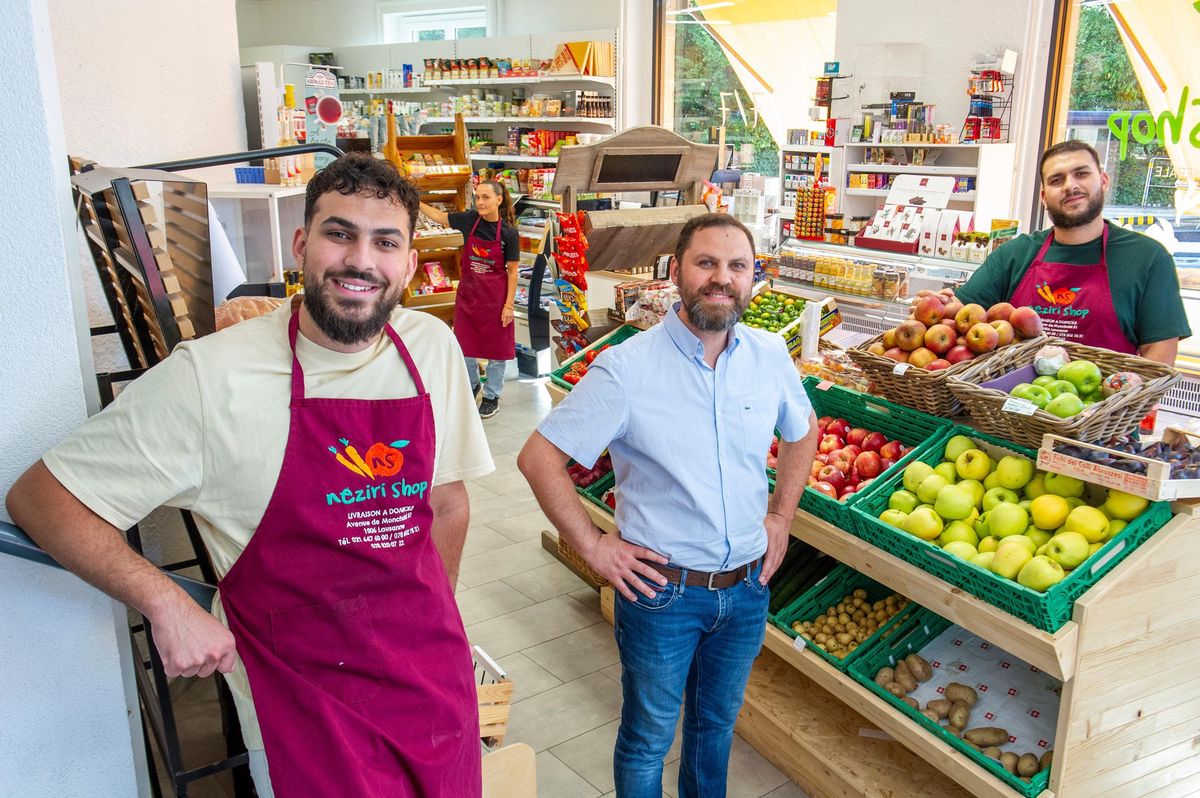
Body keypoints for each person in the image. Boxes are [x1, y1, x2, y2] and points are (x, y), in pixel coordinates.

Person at [6, 153, 495, 798]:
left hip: (430, 680)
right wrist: (167, 603)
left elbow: (448, 502)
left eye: (386, 242)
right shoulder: (210, 377)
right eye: (339, 233)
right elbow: (41, 498)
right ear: (302, 244)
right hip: (305, 702)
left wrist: (438, 617)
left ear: (409, 262)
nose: (361, 261)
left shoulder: (430, 347)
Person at [517, 213, 819, 797]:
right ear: (676, 271)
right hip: (662, 593)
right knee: (649, 738)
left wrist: (782, 516)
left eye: (738, 266)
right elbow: (538, 459)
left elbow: (803, 430)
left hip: (747, 588)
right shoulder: (626, 368)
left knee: (715, 731)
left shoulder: (768, 354)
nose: (721, 279)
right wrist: (593, 545)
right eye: (706, 263)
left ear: (755, 278)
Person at [951, 140, 1190, 364]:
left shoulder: (1146, 258)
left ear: (1104, 180)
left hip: (1104, 403)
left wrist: (1126, 404)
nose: (1070, 185)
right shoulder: (1014, 254)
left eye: (1081, 173)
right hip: (1010, 402)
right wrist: (939, 303)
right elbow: (959, 315)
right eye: (1056, 180)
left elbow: (1160, 350)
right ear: (1044, 197)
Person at [420, 180, 520, 419]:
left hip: (496, 300)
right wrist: (416, 202)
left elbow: (513, 271)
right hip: (469, 297)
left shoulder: (509, 233)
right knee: (464, 347)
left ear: (499, 199)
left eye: (486, 197)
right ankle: (473, 383)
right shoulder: (469, 221)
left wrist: (508, 305)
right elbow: (440, 217)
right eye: (478, 197)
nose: (481, 202)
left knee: (496, 352)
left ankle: (492, 395)